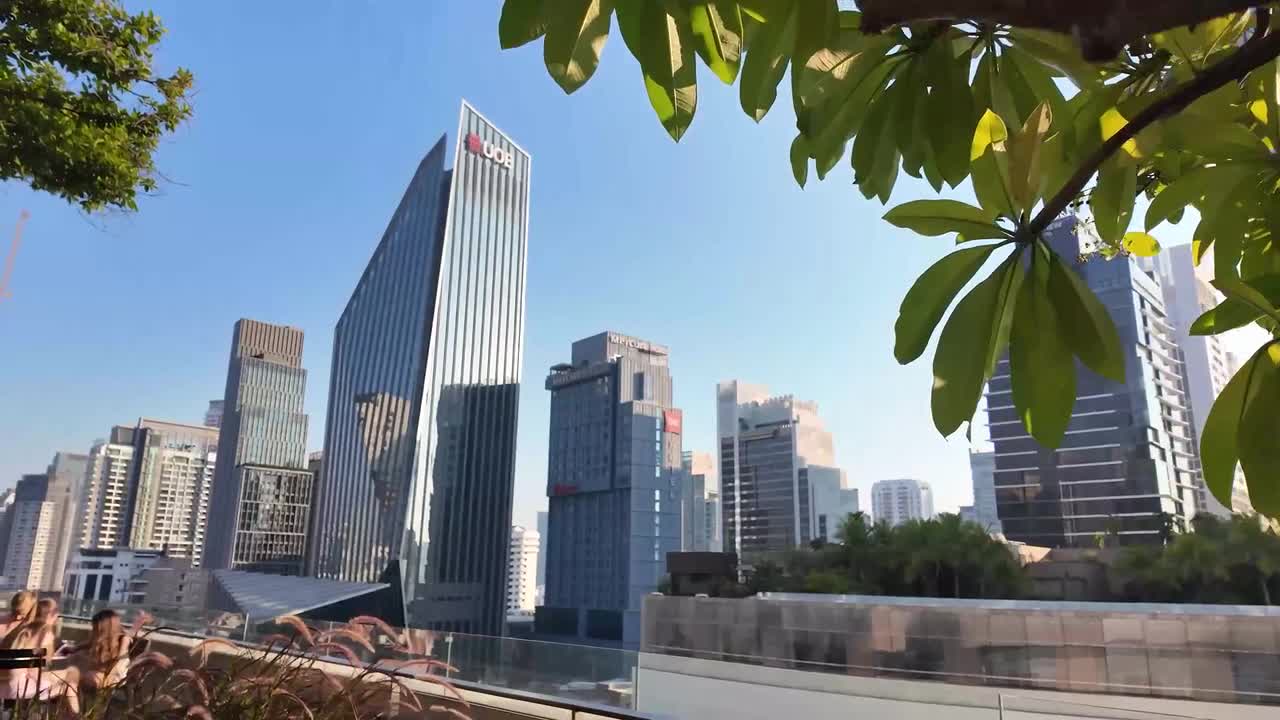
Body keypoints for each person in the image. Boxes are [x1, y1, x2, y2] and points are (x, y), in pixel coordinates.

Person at [0, 598, 80, 713]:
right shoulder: (45, 632)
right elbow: (34, 670)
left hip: (3, 686)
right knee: (70, 681)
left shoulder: (20, 628)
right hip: (19, 688)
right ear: (51, 615)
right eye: (56, 611)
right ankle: (78, 716)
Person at [77, 610, 130, 691]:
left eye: (95, 627)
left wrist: (109, 678)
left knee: (79, 676)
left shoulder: (123, 639)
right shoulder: (100, 637)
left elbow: (120, 661)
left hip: (113, 674)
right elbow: (89, 643)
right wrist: (74, 648)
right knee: (75, 663)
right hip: (99, 670)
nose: (93, 629)